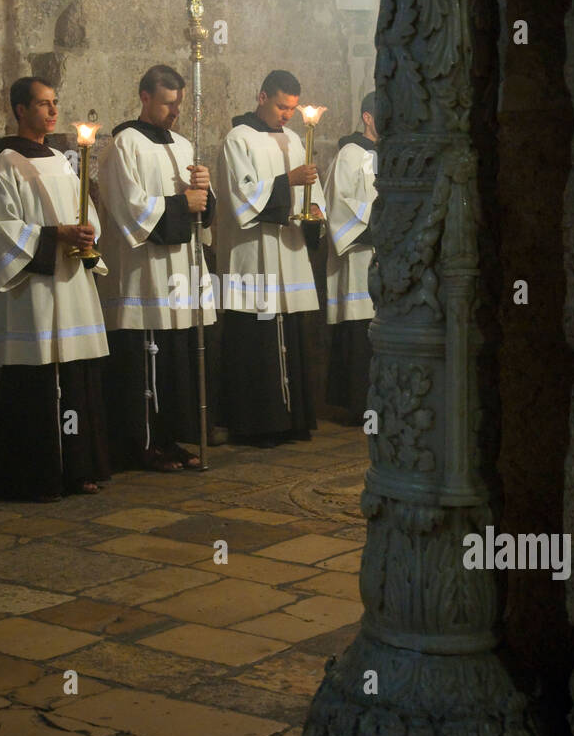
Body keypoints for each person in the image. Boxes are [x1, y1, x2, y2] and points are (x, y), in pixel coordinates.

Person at [0, 76, 110, 501]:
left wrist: (85, 233)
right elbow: (1, 230)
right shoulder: (5, 166)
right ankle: (38, 475)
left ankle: (78, 468)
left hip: (70, 283)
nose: (53, 112)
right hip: (33, 290)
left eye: (55, 103)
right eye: (43, 104)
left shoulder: (61, 161)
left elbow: (85, 212)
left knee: (74, 376)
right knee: (36, 381)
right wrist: (56, 236)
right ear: (20, 110)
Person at [96, 64, 216, 472]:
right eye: (167, 104)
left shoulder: (183, 146)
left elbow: (204, 213)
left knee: (173, 363)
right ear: (145, 97)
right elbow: (131, 210)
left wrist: (204, 191)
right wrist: (185, 204)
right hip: (142, 273)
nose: (175, 112)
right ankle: (139, 444)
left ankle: (168, 439)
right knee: (144, 361)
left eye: (178, 103)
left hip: (178, 272)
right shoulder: (123, 145)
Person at [216, 69, 325, 447]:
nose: (287, 115)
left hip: (288, 251)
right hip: (253, 252)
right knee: (255, 339)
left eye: (292, 108)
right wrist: (288, 181)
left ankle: (293, 420)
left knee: (290, 332)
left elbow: (312, 190)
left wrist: (316, 210)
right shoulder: (238, 139)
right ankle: (257, 425)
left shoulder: (294, 139)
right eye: (281, 106)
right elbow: (242, 196)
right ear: (262, 97)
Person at [324, 93, 379, 423]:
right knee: (360, 332)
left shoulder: (388, 154)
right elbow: (337, 203)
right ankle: (360, 404)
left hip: (384, 259)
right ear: (367, 117)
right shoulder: (350, 154)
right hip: (359, 258)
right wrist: (379, 222)